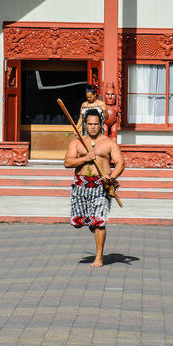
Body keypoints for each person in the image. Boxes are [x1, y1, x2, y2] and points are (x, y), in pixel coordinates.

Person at [64, 111, 124, 267]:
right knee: (78, 222)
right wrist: (85, 158)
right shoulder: (77, 142)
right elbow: (68, 163)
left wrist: (112, 177)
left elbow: (120, 163)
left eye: (96, 124)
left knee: (99, 222)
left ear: (101, 125)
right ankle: (92, 223)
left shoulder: (109, 143)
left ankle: (99, 256)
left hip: (101, 185)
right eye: (90, 124)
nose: (92, 127)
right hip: (80, 185)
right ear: (85, 124)